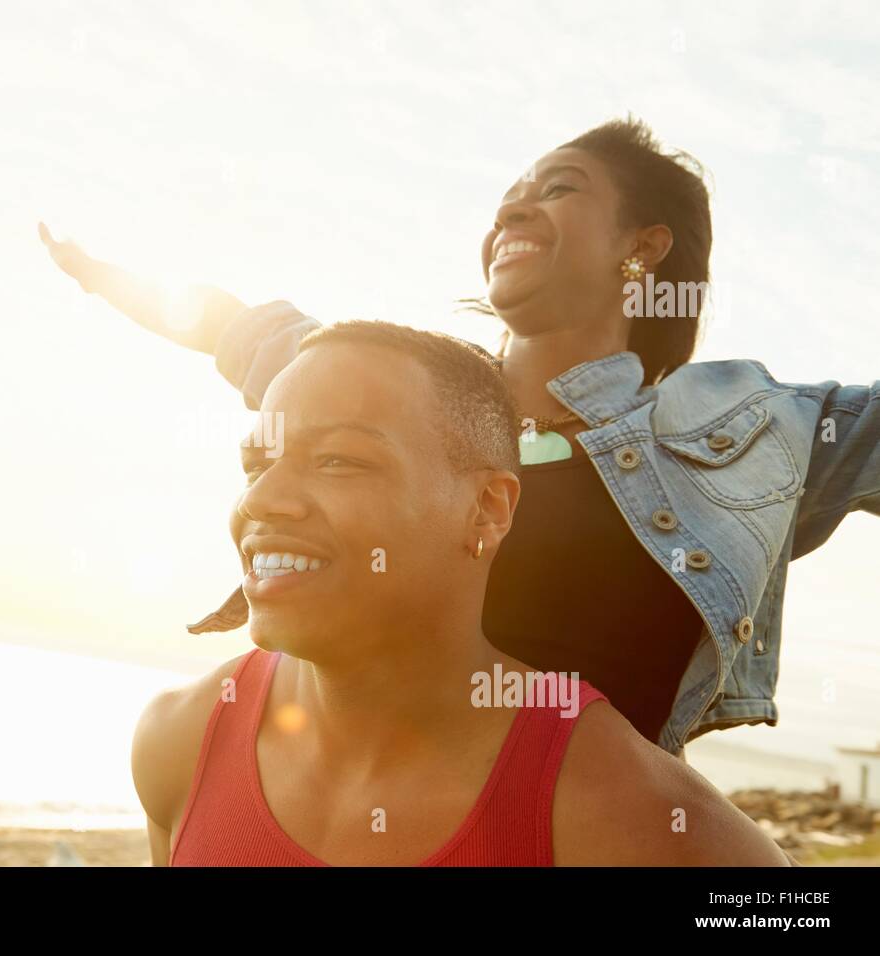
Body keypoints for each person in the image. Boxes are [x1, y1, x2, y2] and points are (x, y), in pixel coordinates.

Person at [43, 116, 880, 758]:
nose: (514, 206)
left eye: (559, 189)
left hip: (574, 829)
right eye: (513, 191)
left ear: (642, 249)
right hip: (333, 803)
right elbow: (243, 328)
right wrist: (111, 282)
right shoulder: (392, 388)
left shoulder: (751, 431)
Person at [130, 321, 788, 866]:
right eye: (257, 464)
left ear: (486, 509)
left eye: (339, 460)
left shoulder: (625, 818)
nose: (263, 500)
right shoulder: (178, 741)